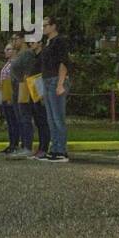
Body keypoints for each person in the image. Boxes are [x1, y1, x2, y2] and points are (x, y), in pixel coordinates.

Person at [39, 15, 70, 162]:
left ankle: (61, 151)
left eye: (45, 25)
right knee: (50, 118)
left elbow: (64, 63)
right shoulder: (47, 42)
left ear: (53, 26)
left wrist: (60, 84)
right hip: (46, 80)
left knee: (58, 118)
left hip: (55, 80)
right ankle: (54, 148)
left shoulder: (60, 41)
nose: (43, 28)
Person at [0, 43, 21, 155]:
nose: (5, 51)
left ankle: (15, 144)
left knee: (14, 120)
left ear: (14, 51)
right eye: (5, 49)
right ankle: (11, 144)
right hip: (5, 93)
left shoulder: (15, 63)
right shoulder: (8, 63)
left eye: (8, 49)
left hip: (11, 94)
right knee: (10, 121)